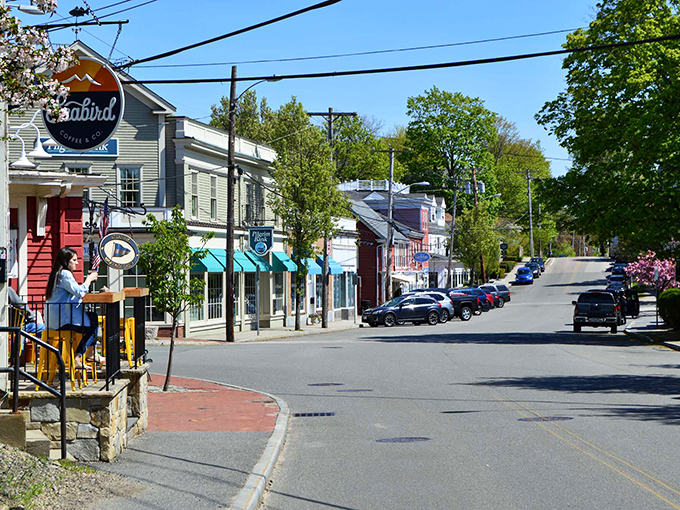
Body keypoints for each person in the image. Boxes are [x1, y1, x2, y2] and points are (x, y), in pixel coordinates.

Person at [45, 247, 102, 368]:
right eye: (74, 260)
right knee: (92, 324)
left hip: (54, 319)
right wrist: (89, 280)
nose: (77, 263)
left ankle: (90, 353)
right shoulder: (65, 274)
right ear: (66, 261)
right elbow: (79, 292)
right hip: (62, 321)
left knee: (92, 318)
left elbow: (72, 294)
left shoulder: (56, 273)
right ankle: (79, 357)